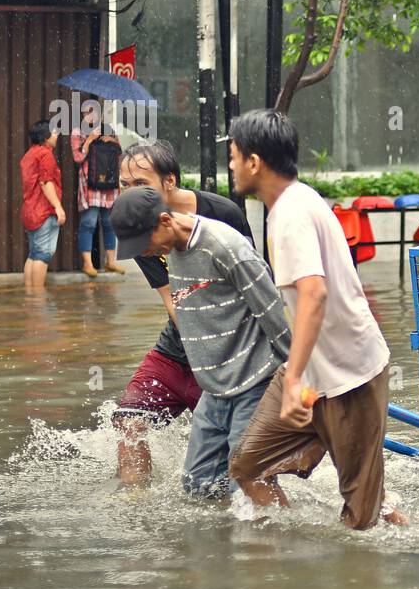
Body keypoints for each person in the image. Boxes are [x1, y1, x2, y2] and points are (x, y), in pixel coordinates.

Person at [226, 110, 404, 529]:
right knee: (248, 467)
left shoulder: (292, 213)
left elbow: (314, 293)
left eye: (234, 156)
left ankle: (399, 539)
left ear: (255, 162)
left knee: (362, 520)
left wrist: (292, 380)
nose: (230, 165)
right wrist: (298, 377)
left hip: (349, 377)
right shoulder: (290, 205)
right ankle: (292, 553)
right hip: (311, 379)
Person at [111, 187, 290, 497]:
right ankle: (223, 544)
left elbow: (273, 310)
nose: (143, 253)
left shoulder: (224, 246)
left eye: (143, 243)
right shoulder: (172, 252)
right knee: (198, 486)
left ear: (165, 221)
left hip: (254, 380)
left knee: (247, 482)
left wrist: (298, 374)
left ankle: (271, 540)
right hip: (214, 387)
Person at [109, 140, 254, 488]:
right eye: (123, 185)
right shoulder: (136, 227)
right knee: (130, 421)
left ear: (169, 181)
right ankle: (136, 508)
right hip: (179, 349)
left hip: (233, 355)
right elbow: (173, 300)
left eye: (140, 184)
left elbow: (255, 288)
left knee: (239, 458)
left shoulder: (222, 214)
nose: (129, 193)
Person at [71, 102, 124, 278]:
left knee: (110, 223)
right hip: (90, 184)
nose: (90, 115)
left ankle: (111, 262)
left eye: (93, 112)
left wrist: (113, 141)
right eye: (87, 112)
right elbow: (78, 157)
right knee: (89, 222)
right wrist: (91, 139)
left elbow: (120, 156)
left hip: (109, 184)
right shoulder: (78, 132)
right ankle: (88, 264)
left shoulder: (109, 129)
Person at [20, 120, 65, 290]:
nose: (57, 135)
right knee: (42, 255)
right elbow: (46, 183)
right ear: (46, 137)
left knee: (33, 255)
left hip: (30, 211)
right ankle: (38, 298)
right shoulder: (46, 155)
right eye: (54, 132)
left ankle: (30, 295)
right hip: (43, 211)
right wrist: (58, 207)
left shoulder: (29, 155)